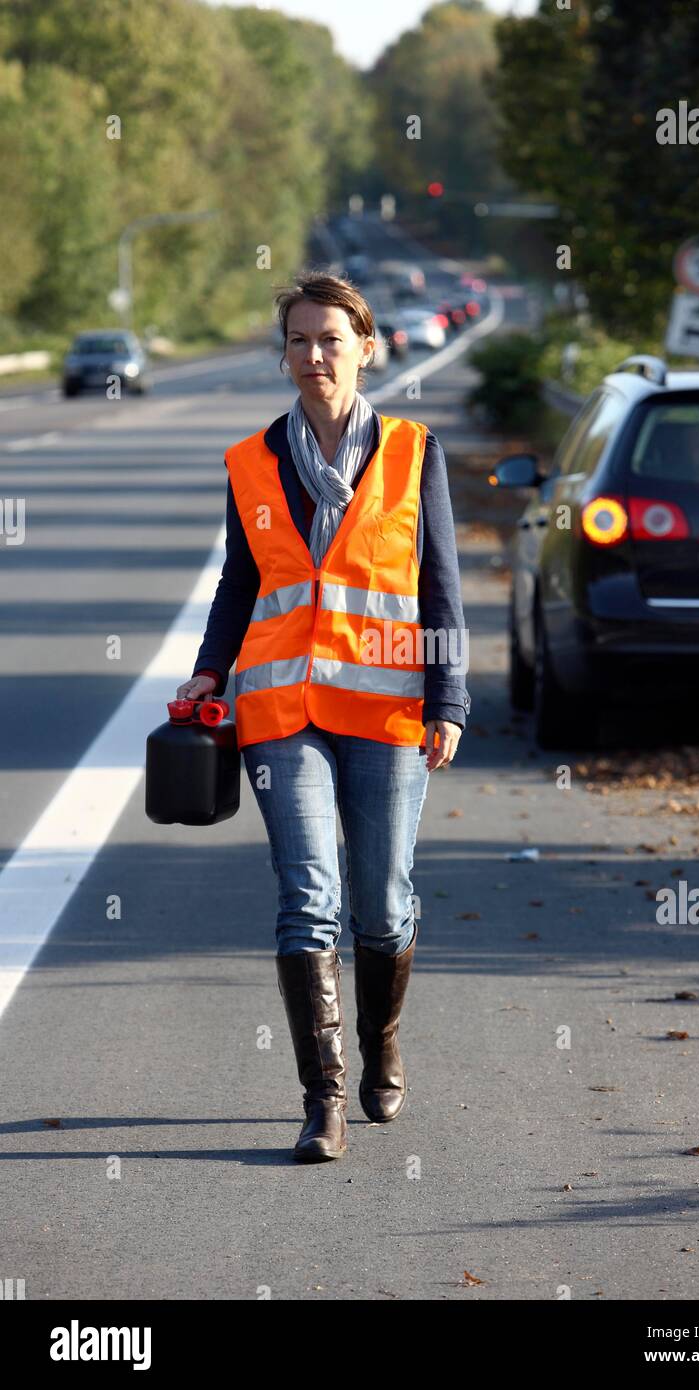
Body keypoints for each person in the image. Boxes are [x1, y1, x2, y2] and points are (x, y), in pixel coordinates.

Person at [177, 270, 470, 1163]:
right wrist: (206, 670)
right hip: (281, 710)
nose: (313, 356)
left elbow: (439, 587)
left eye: (330, 340)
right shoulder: (252, 461)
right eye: (298, 341)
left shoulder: (414, 452)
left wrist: (448, 698)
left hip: (385, 712)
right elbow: (241, 581)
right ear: (284, 354)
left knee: (381, 906)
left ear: (365, 348)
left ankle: (381, 1042)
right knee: (309, 899)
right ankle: (324, 1099)